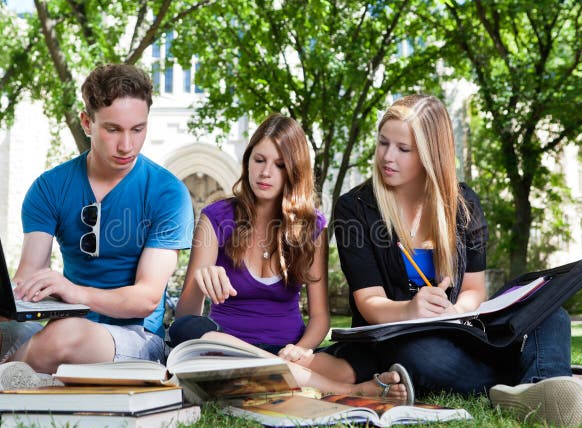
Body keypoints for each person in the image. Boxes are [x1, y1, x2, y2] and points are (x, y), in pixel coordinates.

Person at [0, 63, 194, 396]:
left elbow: (146, 298)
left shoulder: (168, 193)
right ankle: (5, 383)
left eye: (138, 129)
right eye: (113, 129)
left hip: (132, 338)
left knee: (63, 336)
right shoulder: (50, 187)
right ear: (86, 123)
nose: (127, 145)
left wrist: (76, 292)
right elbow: (27, 278)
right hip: (51, 331)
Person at [324, 93, 582, 427]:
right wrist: (410, 310)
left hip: (462, 331)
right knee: (419, 357)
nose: (387, 157)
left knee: (553, 315)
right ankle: (544, 379)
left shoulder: (463, 203)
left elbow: (473, 290)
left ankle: (537, 387)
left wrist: (455, 311)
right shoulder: (354, 208)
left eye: (403, 149)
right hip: (399, 339)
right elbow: (369, 302)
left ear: (431, 154)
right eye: (383, 143)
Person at [169, 114, 413, 403]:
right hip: (228, 349)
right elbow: (186, 315)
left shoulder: (312, 228)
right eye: (259, 160)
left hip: (289, 350)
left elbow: (320, 317)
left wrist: (301, 350)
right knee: (186, 332)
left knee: (355, 362)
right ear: (247, 161)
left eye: (280, 165)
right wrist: (201, 281)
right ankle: (346, 391)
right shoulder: (216, 218)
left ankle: (274, 377)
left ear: (294, 171)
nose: (265, 172)